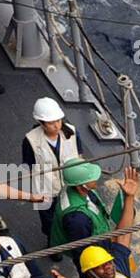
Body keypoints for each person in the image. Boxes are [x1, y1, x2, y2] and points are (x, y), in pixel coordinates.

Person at [50, 159, 136, 273]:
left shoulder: (75, 189)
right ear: (82, 185)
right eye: (91, 178)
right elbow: (83, 252)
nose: (96, 179)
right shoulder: (77, 219)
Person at [22, 97, 82, 238]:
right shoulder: (30, 141)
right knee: (49, 222)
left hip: (70, 185)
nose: (56, 125)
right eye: (51, 122)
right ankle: (53, 243)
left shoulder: (71, 132)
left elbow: (79, 155)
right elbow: (28, 166)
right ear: (41, 123)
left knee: (73, 214)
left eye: (58, 121)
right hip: (46, 190)